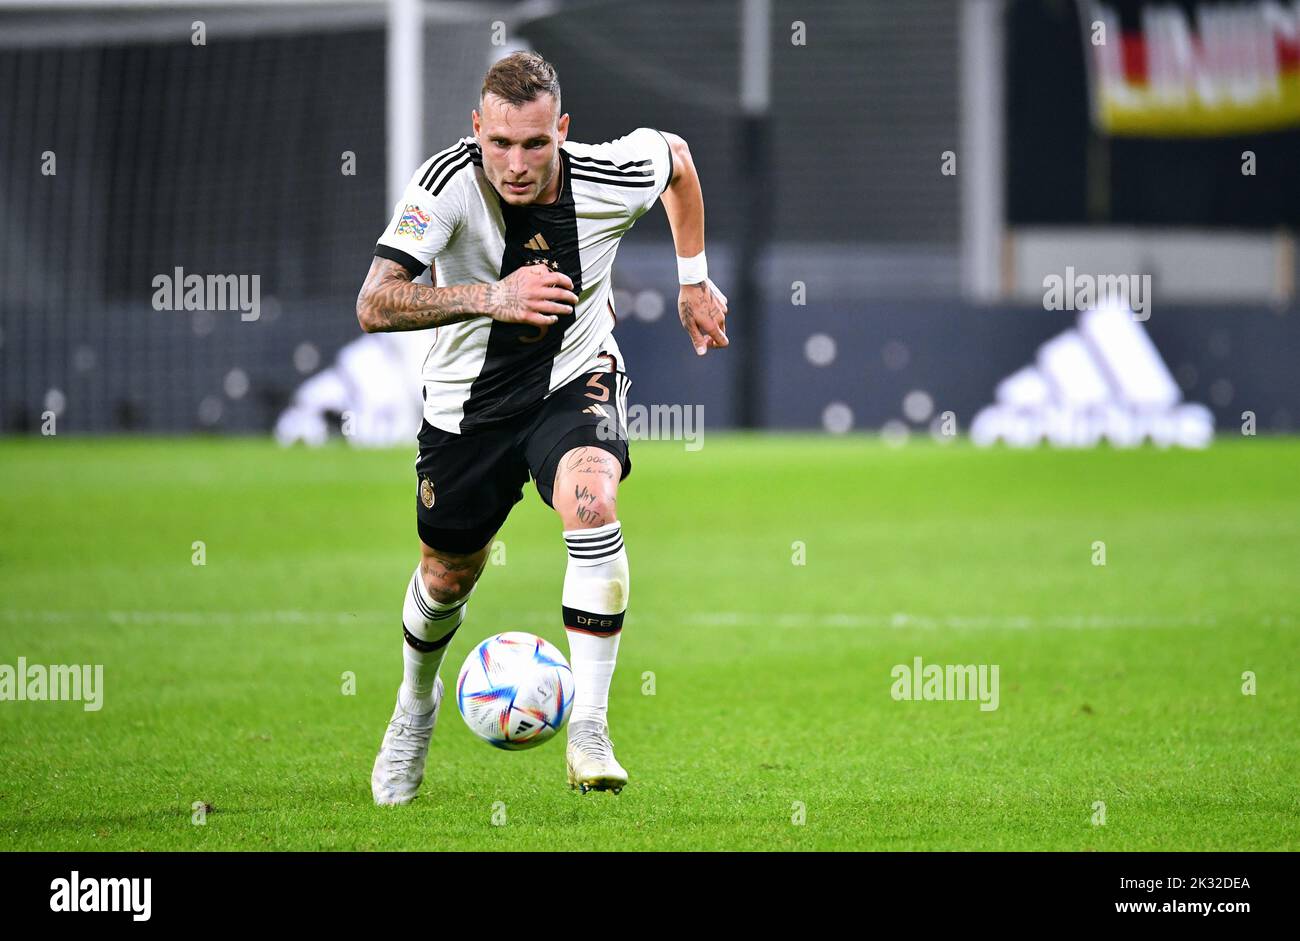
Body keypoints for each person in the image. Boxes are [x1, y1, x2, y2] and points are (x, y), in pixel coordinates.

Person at [356, 50, 727, 805]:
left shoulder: (608, 174)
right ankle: (413, 708)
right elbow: (375, 303)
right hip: (467, 407)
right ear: (476, 131)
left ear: (561, 130)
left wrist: (694, 279)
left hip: (573, 377)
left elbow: (678, 161)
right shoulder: (444, 186)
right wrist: (491, 296)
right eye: (499, 144)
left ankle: (589, 727)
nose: (516, 163)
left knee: (592, 499)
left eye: (534, 143)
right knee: (446, 572)